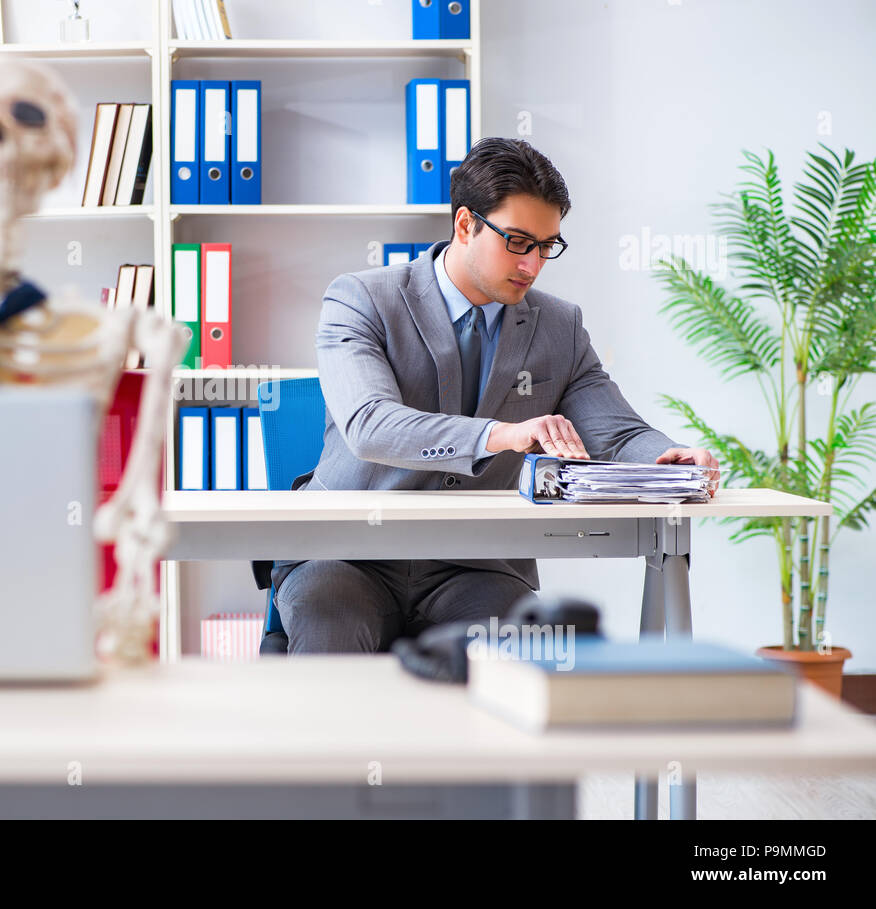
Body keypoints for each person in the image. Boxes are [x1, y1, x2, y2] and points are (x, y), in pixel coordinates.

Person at [272, 137, 719, 654]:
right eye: (518, 241)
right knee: (333, 642)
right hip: (346, 551)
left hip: (475, 562)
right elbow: (371, 425)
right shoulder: (362, 298)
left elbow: (616, 433)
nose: (533, 265)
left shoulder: (559, 326)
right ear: (465, 224)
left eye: (547, 245)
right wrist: (503, 435)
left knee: (523, 659)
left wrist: (668, 460)